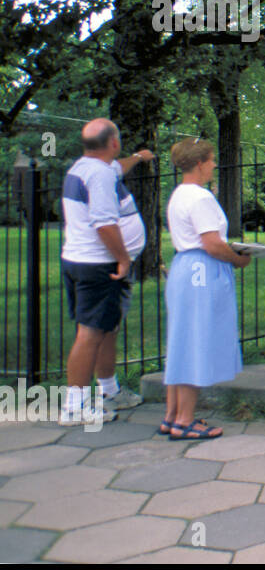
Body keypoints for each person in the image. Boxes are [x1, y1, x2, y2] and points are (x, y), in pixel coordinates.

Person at [58, 118, 154, 426]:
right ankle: (74, 407)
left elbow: (119, 167)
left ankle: (109, 391)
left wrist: (139, 158)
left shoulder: (86, 167)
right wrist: (123, 259)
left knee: (106, 327)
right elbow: (104, 223)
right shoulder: (99, 175)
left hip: (81, 261)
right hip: (99, 265)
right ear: (113, 142)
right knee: (89, 333)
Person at [162, 138, 251, 439]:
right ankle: (185, 420)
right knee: (196, 342)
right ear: (199, 163)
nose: (215, 164)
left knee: (181, 341)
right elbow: (211, 243)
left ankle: (172, 415)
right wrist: (238, 259)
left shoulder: (178, 194)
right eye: (211, 159)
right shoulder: (200, 198)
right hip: (201, 270)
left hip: (183, 269)